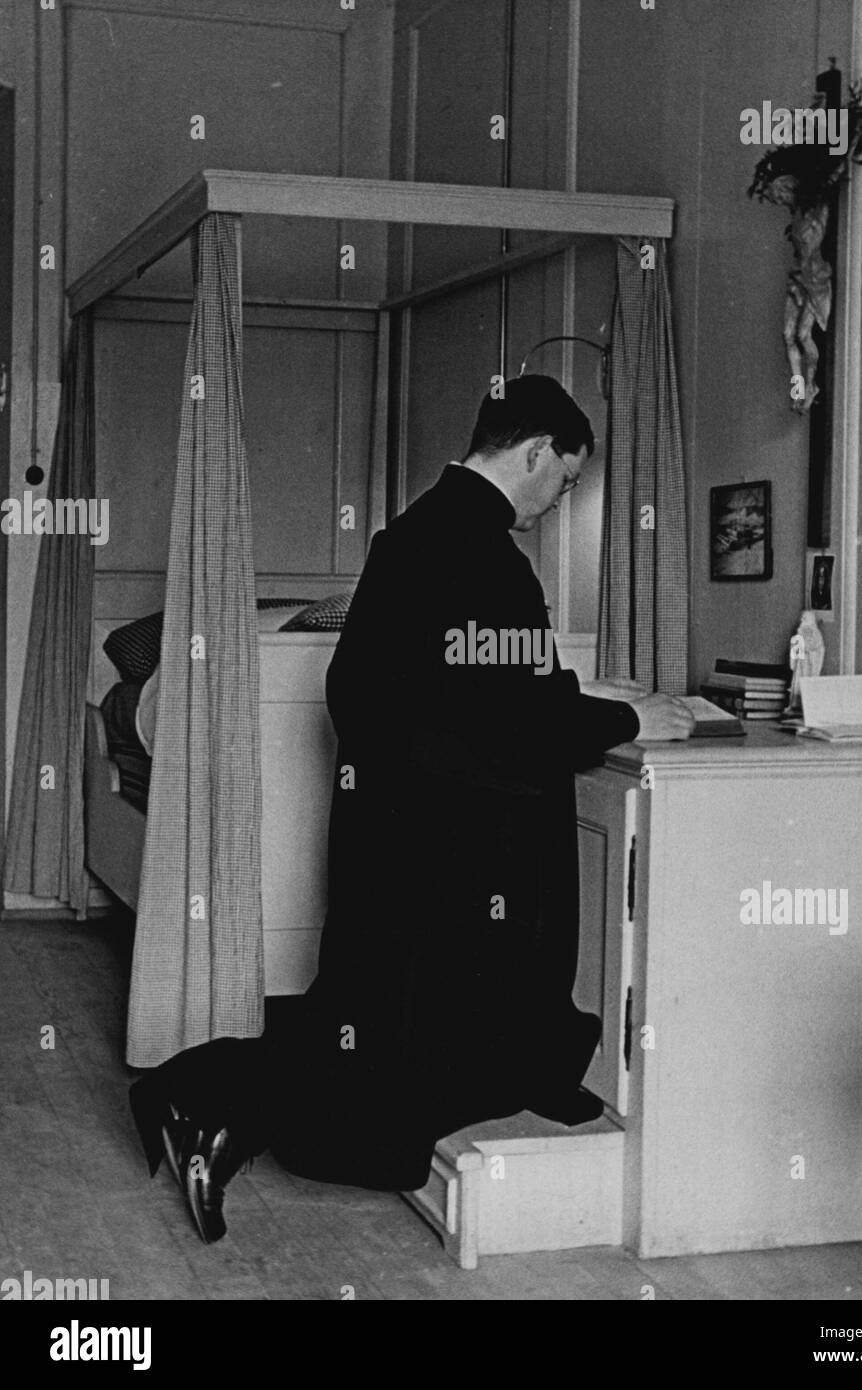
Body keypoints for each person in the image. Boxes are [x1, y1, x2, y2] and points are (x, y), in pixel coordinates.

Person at [129, 374, 693, 1243]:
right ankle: (198, 1096)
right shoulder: (485, 553)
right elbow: (517, 715)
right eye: (565, 479)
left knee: (373, 1021)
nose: (559, 499)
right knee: (391, 1034)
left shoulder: (412, 535)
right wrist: (626, 715)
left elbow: (377, 688)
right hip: (452, 847)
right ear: (537, 451)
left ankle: (201, 1103)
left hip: (389, 830)